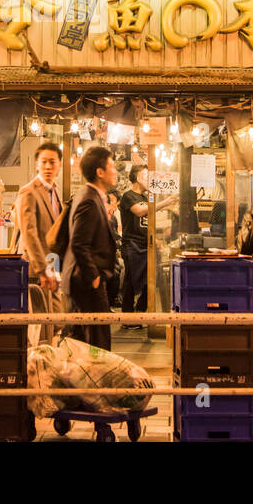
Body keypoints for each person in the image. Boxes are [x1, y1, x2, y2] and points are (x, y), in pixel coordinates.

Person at [63, 145, 118, 351]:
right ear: (100, 172)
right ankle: (94, 382)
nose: (115, 171)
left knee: (85, 340)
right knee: (96, 341)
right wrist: (94, 276)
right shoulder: (89, 200)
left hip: (85, 281)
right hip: (86, 282)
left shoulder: (91, 196)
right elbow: (79, 243)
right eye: (111, 166)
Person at [14, 142, 64, 333]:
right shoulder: (29, 192)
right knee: (42, 320)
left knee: (56, 317)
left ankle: (49, 354)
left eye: (52, 162)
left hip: (53, 262)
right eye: (44, 162)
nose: (48, 167)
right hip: (37, 269)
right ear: (37, 164)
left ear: (59, 165)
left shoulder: (54, 191)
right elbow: (29, 234)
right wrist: (43, 270)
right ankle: (38, 359)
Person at [119, 165, 175, 327]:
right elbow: (140, 212)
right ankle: (127, 319)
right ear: (137, 178)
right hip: (132, 244)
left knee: (151, 278)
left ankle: (141, 312)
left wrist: (155, 239)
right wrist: (164, 202)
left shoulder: (147, 197)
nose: (149, 179)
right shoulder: (128, 197)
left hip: (146, 243)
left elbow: (149, 220)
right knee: (131, 280)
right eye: (146, 175)